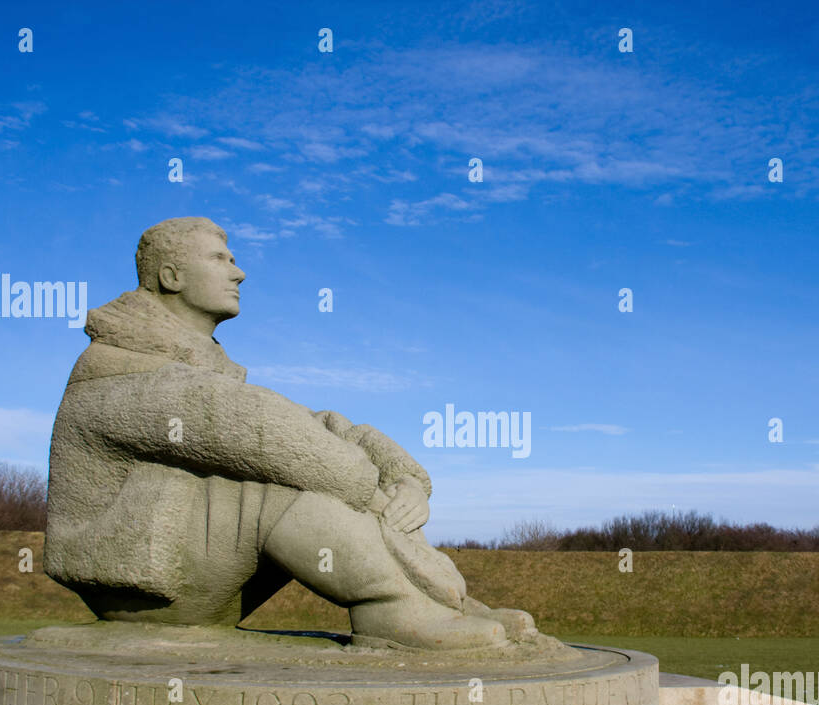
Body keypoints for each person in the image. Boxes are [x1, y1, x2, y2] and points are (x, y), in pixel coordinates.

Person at [44, 217, 535, 651]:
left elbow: (315, 424)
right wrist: (367, 488)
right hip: (145, 591)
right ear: (171, 277)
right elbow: (250, 426)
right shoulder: (116, 369)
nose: (239, 273)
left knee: (311, 460)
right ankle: (388, 606)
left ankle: (439, 599)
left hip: (191, 574)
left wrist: (404, 479)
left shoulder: (197, 366)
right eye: (220, 259)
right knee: (278, 474)